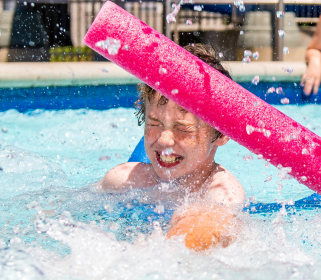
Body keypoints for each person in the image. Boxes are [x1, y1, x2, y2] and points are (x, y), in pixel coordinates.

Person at [100, 43, 245, 250]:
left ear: (221, 134)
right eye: (154, 124)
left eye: (183, 129)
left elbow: (206, 231)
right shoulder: (124, 179)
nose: (164, 140)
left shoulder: (221, 191)